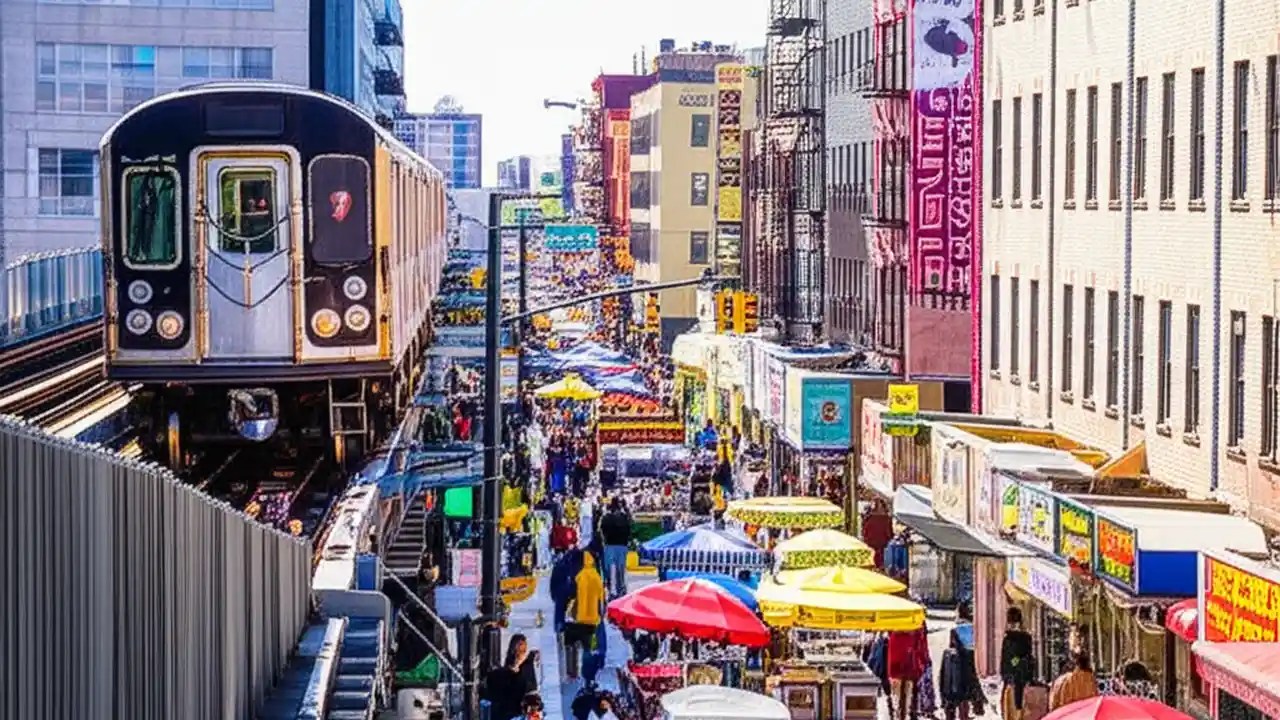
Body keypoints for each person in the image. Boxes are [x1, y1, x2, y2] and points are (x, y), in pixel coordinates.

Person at [564, 552, 605, 680]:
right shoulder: (597, 577)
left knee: (572, 644)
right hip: (592, 619)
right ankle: (588, 674)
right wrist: (601, 614)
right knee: (588, 647)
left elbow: (571, 596)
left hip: (578, 617)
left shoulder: (578, 576)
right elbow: (601, 599)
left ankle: (572, 672)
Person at [939, 607, 984, 720]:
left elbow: (952, 647)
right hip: (972, 663)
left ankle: (953, 714)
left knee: (957, 691)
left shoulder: (954, 630)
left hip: (958, 664)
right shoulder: (975, 630)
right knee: (968, 692)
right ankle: (966, 714)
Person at [1000, 607, 1037, 720]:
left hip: (1014, 676)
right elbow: (1026, 655)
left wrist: (1014, 663)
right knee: (1019, 703)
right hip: (1022, 675)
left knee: (1013, 703)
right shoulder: (1025, 636)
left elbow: (1009, 657)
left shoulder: (1009, 637)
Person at [887, 624, 930, 720]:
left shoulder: (895, 618)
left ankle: (898, 715)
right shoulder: (916, 618)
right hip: (910, 658)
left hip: (898, 656)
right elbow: (922, 640)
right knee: (906, 693)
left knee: (898, 694)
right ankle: (902, 714)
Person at [599, 497, 632, 598]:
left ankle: (610, 591)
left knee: (608, 569)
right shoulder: (624, 517)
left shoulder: (606, 517)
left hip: (609, 545)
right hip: (622, 545)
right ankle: (621, 590)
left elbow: (602, 530)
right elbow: (629, 530)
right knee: (620, 569)